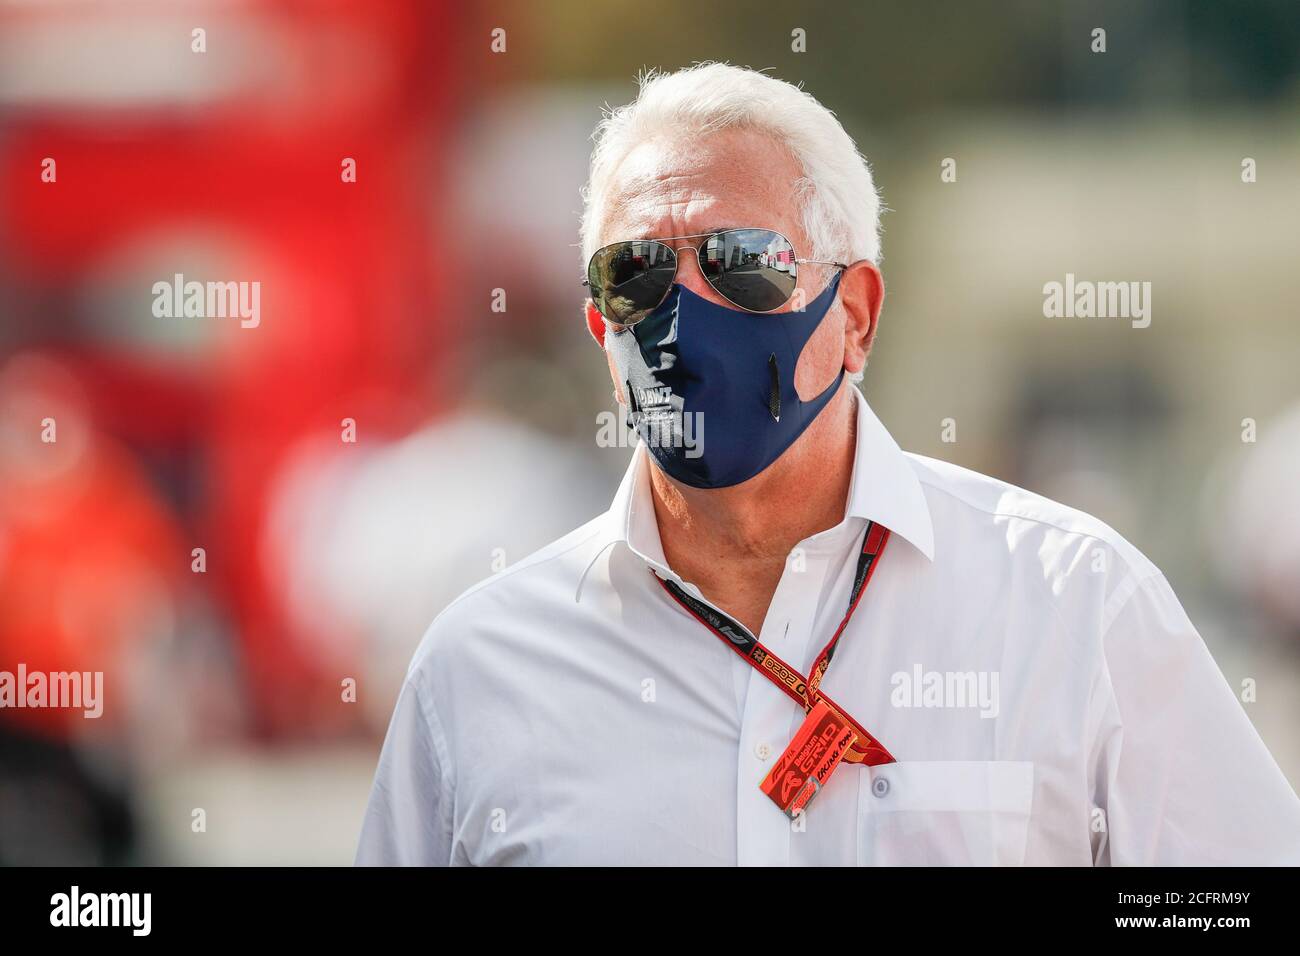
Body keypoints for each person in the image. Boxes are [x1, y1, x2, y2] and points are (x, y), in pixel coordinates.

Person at [355, 63, 1300, 866]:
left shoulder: (1073, 606)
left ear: (854, 315)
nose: (682, 311)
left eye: (742, 262)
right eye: (635, 271)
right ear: (600, 326)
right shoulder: (478, 669)